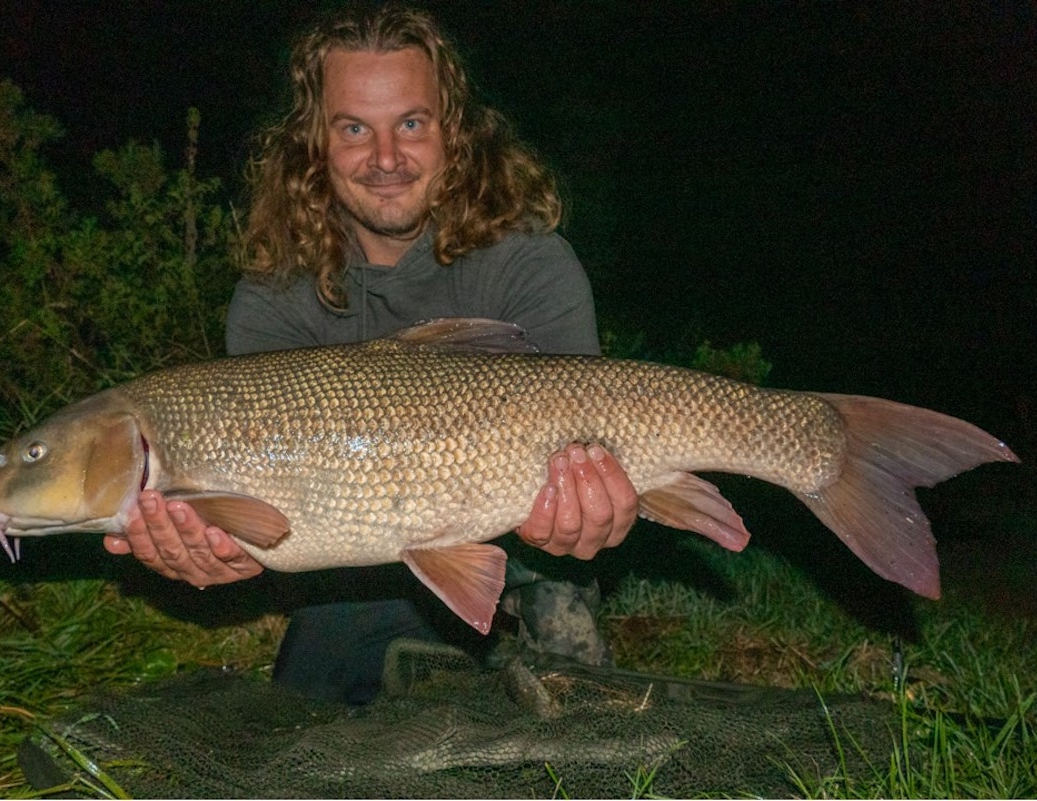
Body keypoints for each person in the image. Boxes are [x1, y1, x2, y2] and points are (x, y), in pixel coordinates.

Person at [103, 4, 639, 704]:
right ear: (314, 144)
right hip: (353, 561)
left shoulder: (531, 263)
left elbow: (602, 449)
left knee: (568, 678)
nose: (386, 159)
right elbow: (260, 531)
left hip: (525, 557)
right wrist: (215, 553)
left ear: (455, 131)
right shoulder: (275, 296)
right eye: (354, 128)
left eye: (411, 123)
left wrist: (598, 514)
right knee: (310, 703)